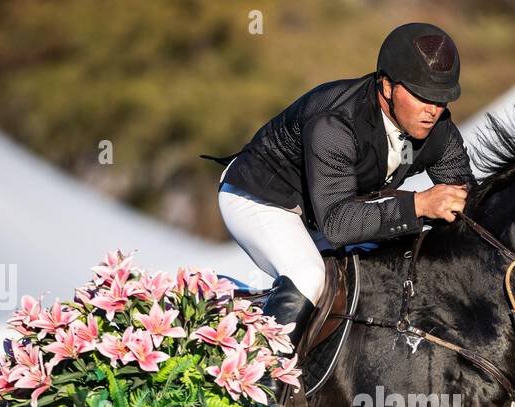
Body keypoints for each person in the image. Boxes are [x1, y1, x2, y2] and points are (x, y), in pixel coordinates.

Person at [203, 22, 475, 345]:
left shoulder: (438, 130)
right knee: (308, 275)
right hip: (261, 198)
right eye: (421, 96)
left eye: (442, 99)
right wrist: (418, 205)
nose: (433, 110)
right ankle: (266, 381)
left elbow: (467, 202)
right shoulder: (336, 122)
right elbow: (338, 225)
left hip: (326, 210)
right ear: (387, 86)